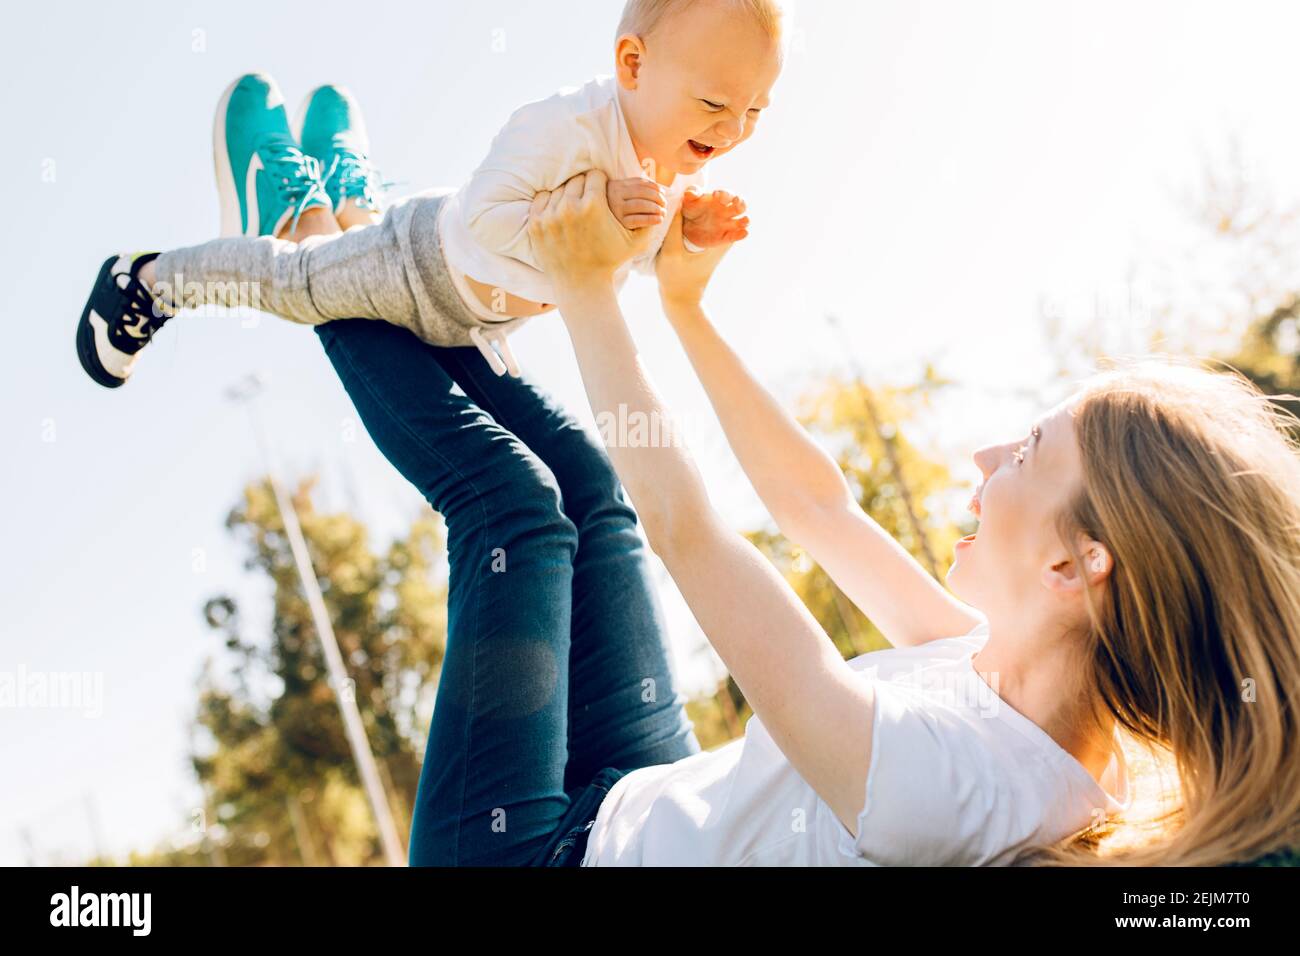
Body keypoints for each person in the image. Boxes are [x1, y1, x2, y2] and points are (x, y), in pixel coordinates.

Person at [515, 167, 1300, 867]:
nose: (987, 456)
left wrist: (587, 295)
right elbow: (815, 506)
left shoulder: (949, 787)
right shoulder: (995, 674)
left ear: (1074, 563)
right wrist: (685, 307)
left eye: (1027, 452)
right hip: (642, 794)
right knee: (582, 485)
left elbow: (687, 534)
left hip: (548, 855)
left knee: (513, 503)